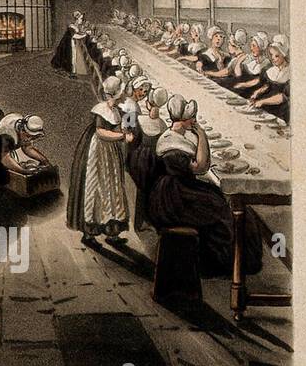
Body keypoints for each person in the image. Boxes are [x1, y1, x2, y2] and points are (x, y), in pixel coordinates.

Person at [128, 96, 263, 277]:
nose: (195, 120)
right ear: (185, 121)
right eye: (193, 117)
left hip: (172, 192)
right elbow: (202, 166)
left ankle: (217, 259)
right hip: (173, 199)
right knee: (222, 209)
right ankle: (230, 263)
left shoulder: (171, 135)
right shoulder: (173, 143)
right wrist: (201, 135)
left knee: (218, 200)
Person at [67, 75, 133, 246]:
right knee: (96, 188)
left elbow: (127, 126)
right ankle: (90, 234)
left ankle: (113, 233)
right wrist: (122, 135)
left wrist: (128, 129)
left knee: (113, 188)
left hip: (111, 152)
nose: (125, 95)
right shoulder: (101, 109)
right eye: (122, 92)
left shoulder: (120, 110)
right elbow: (101, 132)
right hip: (97, 153)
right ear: (115, 94)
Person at [249, 35, 290, 123]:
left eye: (277, 56)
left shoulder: (291, 73)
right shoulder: (270, 70)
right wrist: (257, 92)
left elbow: (283, 97)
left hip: (280, 112)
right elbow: (268, 85)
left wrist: (263, 102)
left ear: (283, 55)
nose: (273, 59)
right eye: (271, 55)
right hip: (267, 108)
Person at [50, 10, 87, 74]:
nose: (82, 20)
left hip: (71, 42)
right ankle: (70, 71)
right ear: (77, 19)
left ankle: (71, 71)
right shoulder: (71, 26)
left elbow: (79, 33)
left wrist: (84, 33)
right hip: (67, 44)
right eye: (81, 19)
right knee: (69, 56)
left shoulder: (76, 27)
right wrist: (85, 35)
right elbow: (75, 36)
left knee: (72, 56)